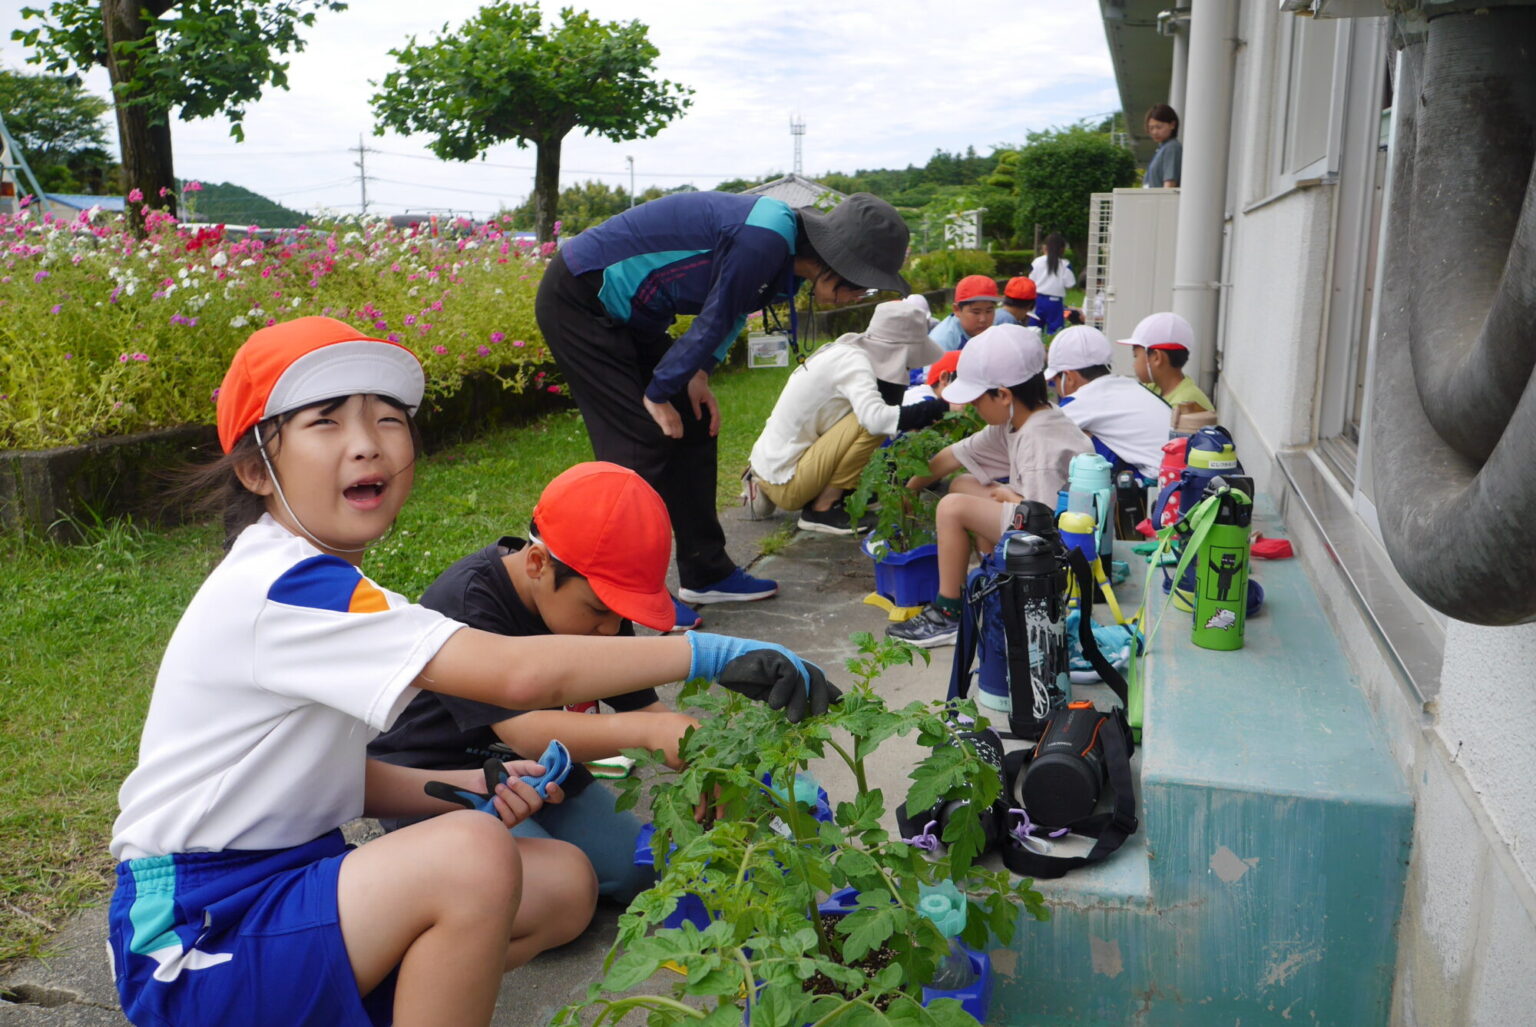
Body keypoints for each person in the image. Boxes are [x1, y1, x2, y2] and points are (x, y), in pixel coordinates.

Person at [107, 316, 839, 1027]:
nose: (368, 445)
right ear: (253, 469)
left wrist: (470, 784)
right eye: (326, 421)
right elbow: (519, 673)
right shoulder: (286, 586)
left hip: (285, 880)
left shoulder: (315, 579)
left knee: (561, 885)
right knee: (474, 857)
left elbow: (325, 773)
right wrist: (709, 654)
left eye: (388, 419)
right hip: (196, 929)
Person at [535, 190, 910, 629]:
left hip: (633, 320)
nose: (857, 296)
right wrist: (658, 393)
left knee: (695, 423)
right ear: (840, 264)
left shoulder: (783, 256)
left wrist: (698, 373)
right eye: (861, 283)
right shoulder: (766, 238)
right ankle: (633, 591)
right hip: (580, 299)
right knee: (639, 442)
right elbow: (714, 317)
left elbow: (731, 311)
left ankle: (706, 570)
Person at [368, 461, 697, 906]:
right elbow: (523, 731)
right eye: (600, 611)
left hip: (542, 769)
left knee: (638, 870)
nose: (611, 630)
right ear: (538, 563)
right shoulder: (466, 602)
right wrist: (652, 734)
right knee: (541, 891)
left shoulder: (600, 610)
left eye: (623, 615)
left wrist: (705, 761)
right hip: (438, 776)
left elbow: (643, 708)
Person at [887, 324, 1093, 647]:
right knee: (963, 485)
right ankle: (995, 580)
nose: (971, 407)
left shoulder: (1041, 442)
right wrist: (908, 491)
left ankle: (949, 614)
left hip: (1057, 552)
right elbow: (953, 456)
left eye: (976, 399)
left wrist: (1011, 499)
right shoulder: (1021, 419)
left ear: (1003, 395)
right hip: (1035, 519)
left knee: (952, 508)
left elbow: (1047, 529)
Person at [746, 301, 948, 534]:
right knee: (872, 421)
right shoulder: (855, 364)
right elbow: (877, 419)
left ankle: (825, 491)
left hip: (776, 462)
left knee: (873, 413)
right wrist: (942, 407)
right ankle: (823, 508)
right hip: (789, 482)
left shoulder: (847, 350)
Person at [1044, 324, 1171, 479]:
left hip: (1155, 482)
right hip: (1176, 471)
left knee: (1077, 441)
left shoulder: (1081, 401)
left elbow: (1041, 434)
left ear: (1068, 377)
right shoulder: (1129, 385)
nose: (1055, 388)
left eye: (1054, 382)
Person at [1117, 311, 1215, 415]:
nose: (1134, 364)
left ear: (1156, 357)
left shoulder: (1185, 405)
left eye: (1135, 356)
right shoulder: (1155, 388)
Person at [929, 274, 1002, 352]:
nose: (983, 319)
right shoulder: (942, 342)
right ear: (957, 310)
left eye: (989, 311)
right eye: (976, 312)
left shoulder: (996, 329)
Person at [1029, 234, 1076, 334]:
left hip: (1037, 300)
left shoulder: (1036, 261)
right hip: (1055, 302)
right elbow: (1070, 284)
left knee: (1033, 330)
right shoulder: (1065, 264)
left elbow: (1030, 280)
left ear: (1045, 247)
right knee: (1056, 332)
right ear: (1062, 249)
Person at [1143, 103, 1182, 188]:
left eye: (1159, 127)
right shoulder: (1162, 149)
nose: (1154, 132)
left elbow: (1169, 183)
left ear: (1172, 125)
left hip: (1160, 200)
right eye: (1151, 128)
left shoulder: (1172, 147)